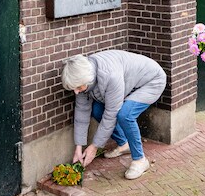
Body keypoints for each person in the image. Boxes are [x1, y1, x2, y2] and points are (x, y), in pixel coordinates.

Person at [62, 50, 167, 180]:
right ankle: (124, 144)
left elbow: (111, 114)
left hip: (151, 81)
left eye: (78, 87)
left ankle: (140, 160)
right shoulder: (83, 77)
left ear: (87, 80)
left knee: (125, 114)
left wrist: (94, 147)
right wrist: (78, 147)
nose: (76, 92)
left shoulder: (109, 76)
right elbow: (81, 114)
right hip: (129, 83)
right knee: (97, 110)